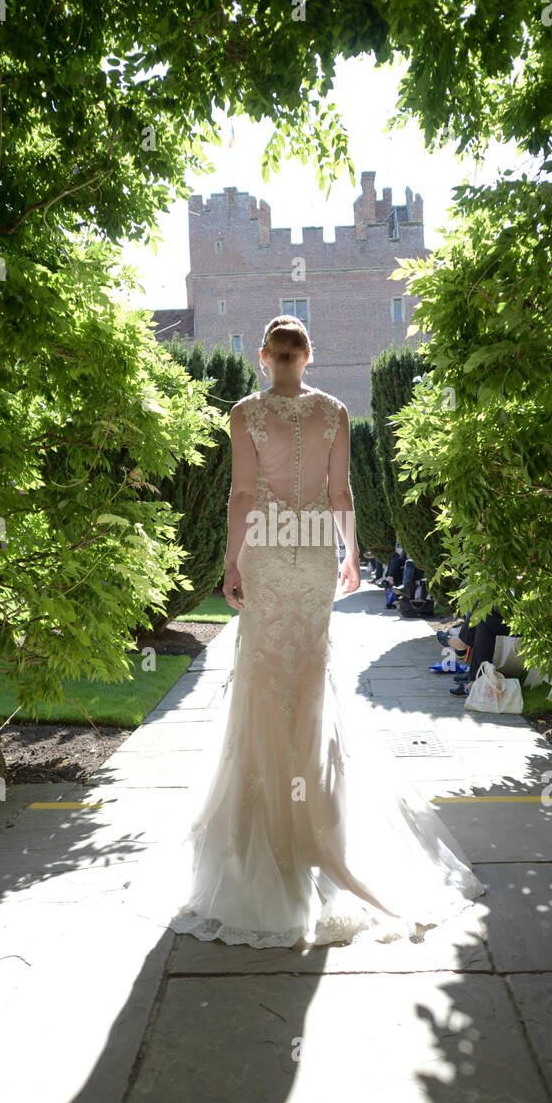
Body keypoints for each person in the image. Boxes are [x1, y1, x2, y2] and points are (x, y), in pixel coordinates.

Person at [168, 315, 484, 948]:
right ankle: (314, 819)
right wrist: (351, 552)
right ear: (306, 357)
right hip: (312, 554)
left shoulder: (243, 413)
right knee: (308, 675)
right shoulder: (335, 411)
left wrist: (232, 561)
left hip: (265, 547)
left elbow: (239, 495)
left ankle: (265, 825)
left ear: (265, 357)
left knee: (264, 673)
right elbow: (341, 493)